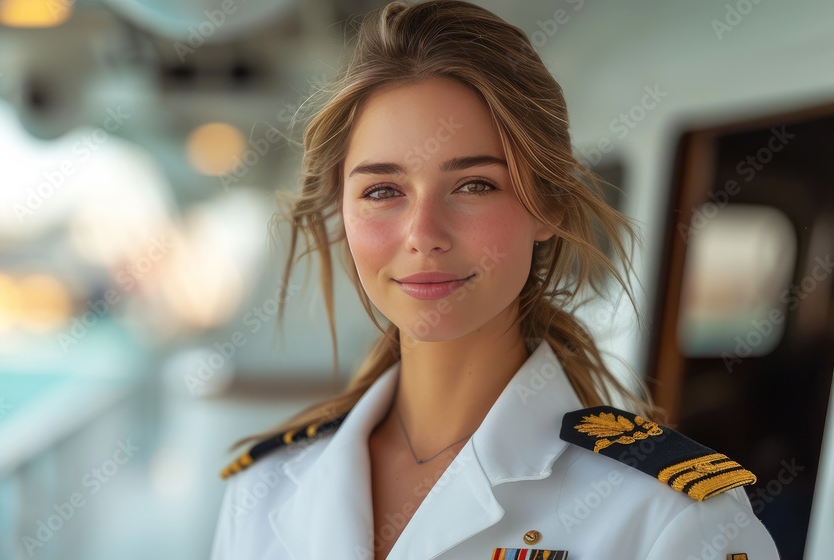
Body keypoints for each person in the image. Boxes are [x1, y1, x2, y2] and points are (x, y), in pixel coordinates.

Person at [210, 1, 781, 558]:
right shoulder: (263, 491)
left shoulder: (671, 520)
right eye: (382, 191)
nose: (423, 234)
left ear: (548, 206)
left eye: (474, 185)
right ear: (343, 212)